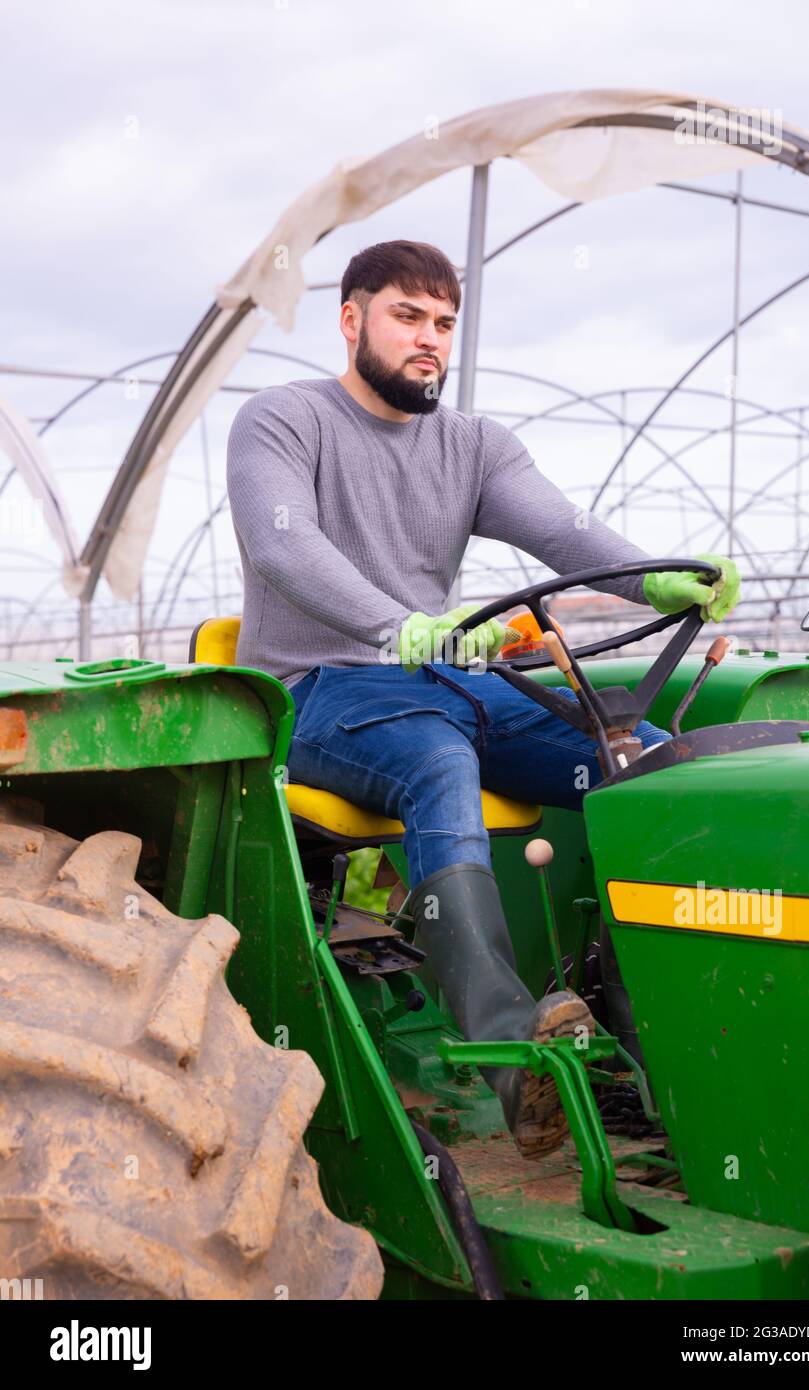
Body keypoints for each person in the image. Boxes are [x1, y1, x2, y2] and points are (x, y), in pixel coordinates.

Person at [226, 239, 740, 1159]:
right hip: (324, 689)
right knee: (438, 760)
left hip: (451, 679)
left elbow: (564, 529)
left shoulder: (472, 444)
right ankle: (513, 1055)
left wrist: (659, 581)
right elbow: (283, 548)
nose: (431, 340)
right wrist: (394, 625)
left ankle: (652, 1015)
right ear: (352, 321)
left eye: (445, 324)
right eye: (408, 317)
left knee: (645, 761)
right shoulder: (282, 421)